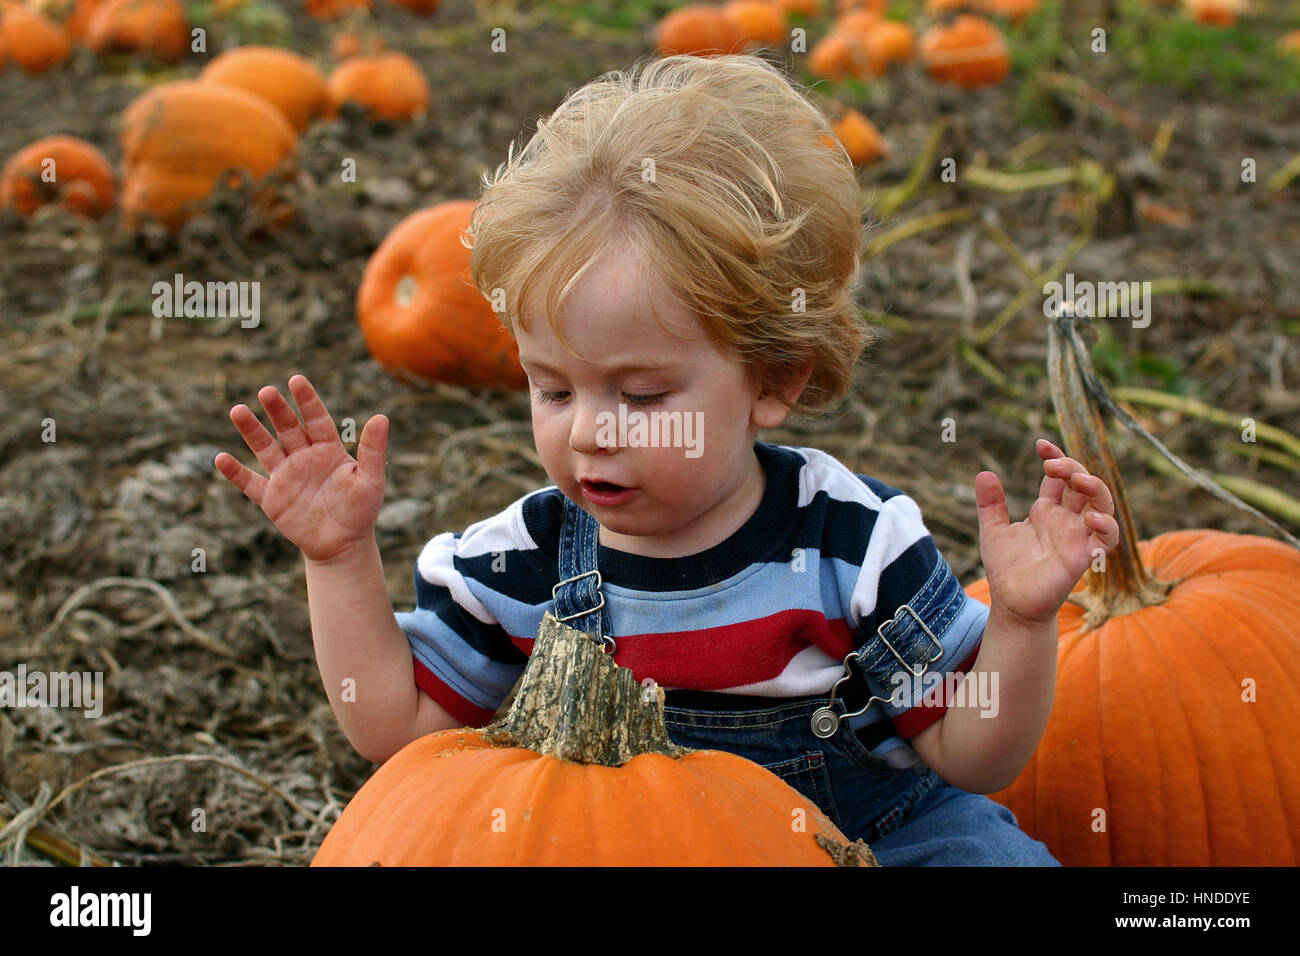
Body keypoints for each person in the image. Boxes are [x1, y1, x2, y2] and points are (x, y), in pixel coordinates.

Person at [214, 53, 1120, 865]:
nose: (588, 432)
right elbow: (394, 729)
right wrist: (337, 561)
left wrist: (1024, 624)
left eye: (641, 396)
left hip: (871, 841)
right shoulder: (521, 560)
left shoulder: (852, 544)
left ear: (772, 380)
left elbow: (975, 757)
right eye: (554, 389)